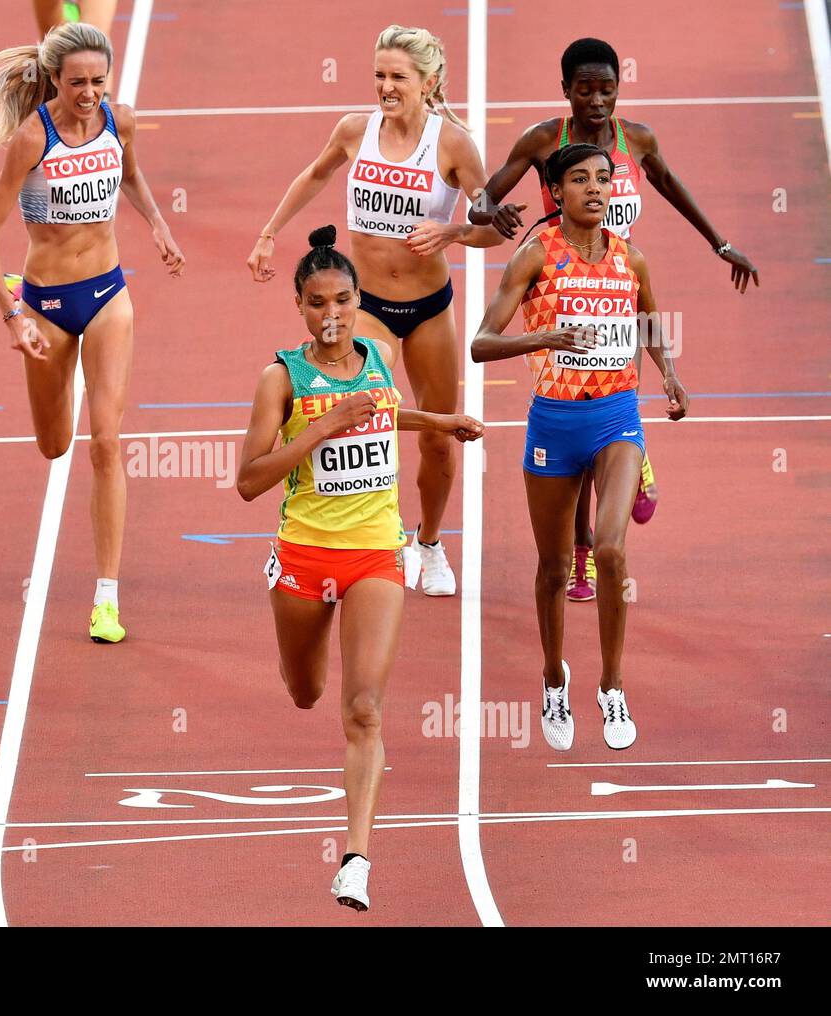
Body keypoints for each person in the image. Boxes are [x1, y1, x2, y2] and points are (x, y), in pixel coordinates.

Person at [238, 225, 483, 910]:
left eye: (344, 300)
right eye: (318, 303)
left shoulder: (377, 355)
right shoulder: (280, 379)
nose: (334, 316)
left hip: (377, 550)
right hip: (305, 553)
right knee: (306, 692)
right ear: (300, 306)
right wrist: (319, 427)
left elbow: (384, 413)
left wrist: (440, 419)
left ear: (356, 299)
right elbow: (249, 481)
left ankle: (355, 861)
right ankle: (278, 582)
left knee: (365, 709)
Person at [470, 37, 754, 601]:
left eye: (607, 88)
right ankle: (582, 554)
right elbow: (484, 196)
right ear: (566, 91)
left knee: (614, 402)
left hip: (618, 282)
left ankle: (630, 463)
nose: (597, 100)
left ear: (619, 87)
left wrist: (721, 245)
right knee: (575, 440)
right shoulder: (544, 139)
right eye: (585, 89)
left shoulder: (637, 140)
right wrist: (488, 209)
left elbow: (671, 186)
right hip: (561, 288)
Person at [248, 24, 504, 597]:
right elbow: (315, 174)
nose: (387, 88)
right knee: (365, 417)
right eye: (380, 76)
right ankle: (354, 537)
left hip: (431, 309)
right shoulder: (353, 131)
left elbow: (497, 230)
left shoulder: (454, 144)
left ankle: (430, 543)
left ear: (428, 81)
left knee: (438, 435)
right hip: (370, 309)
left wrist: (453, 232)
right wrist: (268, 232)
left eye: (398, 78)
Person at [0, 22, 184, 643]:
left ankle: (107, 597)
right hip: (44, 302)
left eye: (98, 81)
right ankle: (25, 301)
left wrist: (160, 227)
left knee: (106, 444)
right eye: (77, 83)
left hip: (109, 294)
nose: (89, 93)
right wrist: (13, 316)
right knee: (54, 444)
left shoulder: (122, 119)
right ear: (55, 81)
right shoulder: (32, 138)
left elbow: (132, 177)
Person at [472, 145, 690, 751]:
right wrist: (545, 335)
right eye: (580, 180)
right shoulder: (534, 257)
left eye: (604, 179)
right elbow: (481, 343)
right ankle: (553, 679)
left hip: (617, 420)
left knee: (612, 551)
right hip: (553, 428)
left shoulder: (632, 259)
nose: (596, 189)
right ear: (555, 191)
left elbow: (647, 323)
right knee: (553, 569)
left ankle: (613, 686)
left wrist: (668, 376)